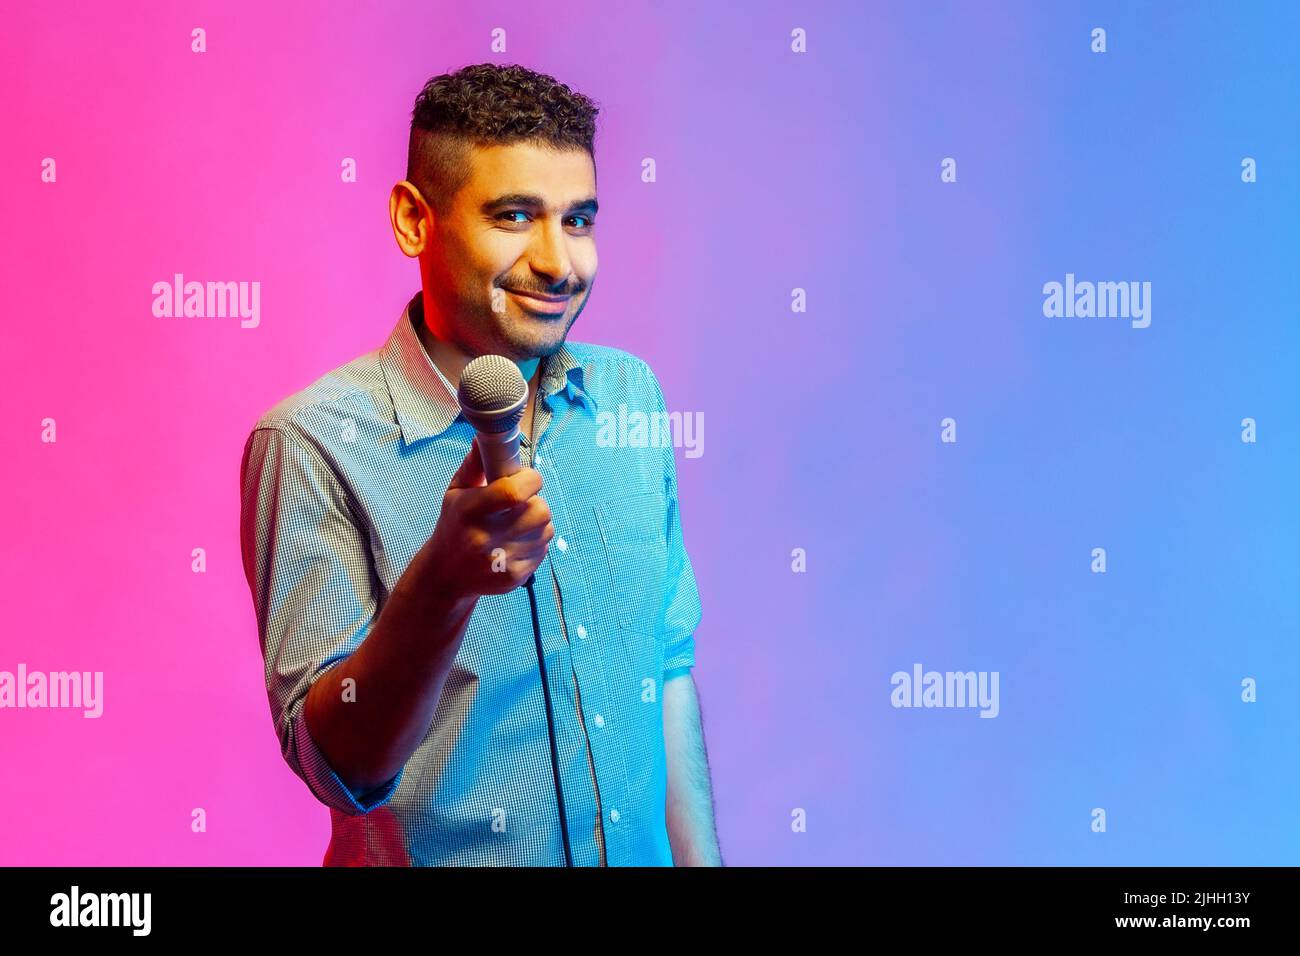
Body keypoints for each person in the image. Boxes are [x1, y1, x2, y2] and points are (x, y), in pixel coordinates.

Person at [238, 63, 721, 866]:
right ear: (413, 220)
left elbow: (667, 674)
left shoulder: (630, 395)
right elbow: (339, 765)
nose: (557, 262)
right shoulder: (311, 442)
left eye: (578, 221)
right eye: (513, 216)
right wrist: (443, 584)